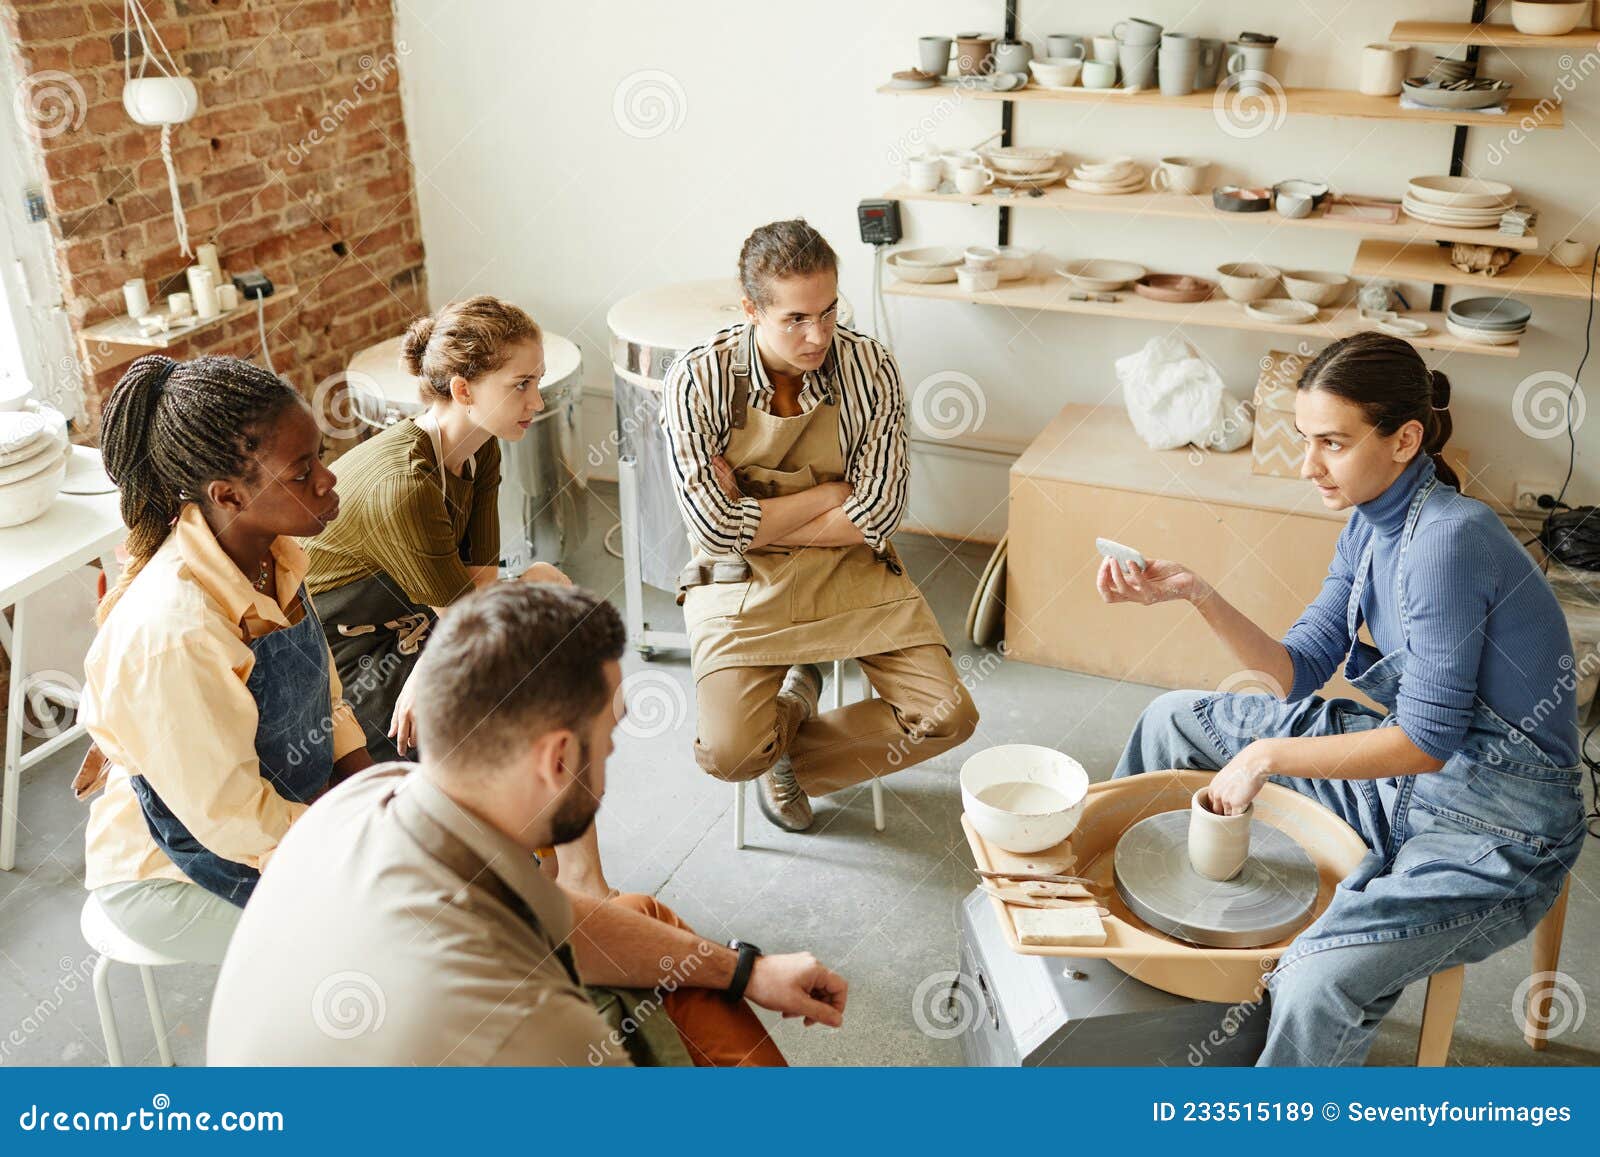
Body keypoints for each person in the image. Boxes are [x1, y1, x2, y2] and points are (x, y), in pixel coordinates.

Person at [1100, 332, 1585, 1066]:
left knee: (1316, 980)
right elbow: (1296, 669)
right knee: (1172, 721)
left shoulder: (1448, 541)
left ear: (1405, 439)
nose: (1309, 465)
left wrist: (1265, 756)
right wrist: (1197, 594)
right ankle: (1135, 980)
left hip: (1497, 828)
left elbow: (1424, 740)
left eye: (1332, 442)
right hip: (1401, 783)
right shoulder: (1370, 520)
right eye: (1305, 439)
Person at [207, 583, 849, 1066]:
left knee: (642, 921)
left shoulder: (368, 799)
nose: (612, 761)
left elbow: (555, 913)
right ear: (558, 758)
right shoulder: (537, 1033)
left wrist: (744, 970)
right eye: (609, 738)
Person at [660, 219, 978, 832]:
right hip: (741, 578)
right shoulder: (697, 378)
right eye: (796, 319)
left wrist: (755, 514)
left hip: (849, 568)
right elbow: (718, 534)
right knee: (728, 756)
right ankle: (782, 718)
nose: (819, 335)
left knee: (948, 717)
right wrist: (830, 495)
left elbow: (880, 513)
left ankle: (790, 755)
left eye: (829, 311)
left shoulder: (870, 367)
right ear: (751, 310)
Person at [303, 295, 607, 895]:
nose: (537, 401)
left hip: (419, 629)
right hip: (346, 666)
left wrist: (427, 671)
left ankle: (570, 876)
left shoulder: (479, 448)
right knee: (538, 661)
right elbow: (471, 617)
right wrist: (532, 584)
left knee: (553, 650)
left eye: (537, 381)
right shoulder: (405, 483)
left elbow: (480, 583)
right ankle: (552, 877)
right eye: (521, 385)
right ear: (464, 390)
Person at [75, 354, 374, 963]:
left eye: (320, 456)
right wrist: (362, 841)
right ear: (228, 494)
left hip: (277, 810)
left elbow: (326, 699)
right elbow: (233, 818)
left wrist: (368, 784)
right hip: (177, 869)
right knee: (376, 936)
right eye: (302, 472)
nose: (328, 479)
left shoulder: (272, 555)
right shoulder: (175, 633)